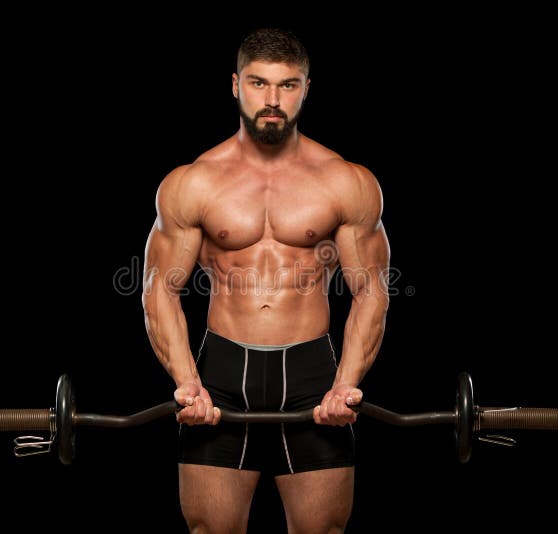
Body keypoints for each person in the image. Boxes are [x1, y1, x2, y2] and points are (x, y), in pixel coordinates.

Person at [142, 28, 390, 534]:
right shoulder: (194, 182)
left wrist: (346, 385)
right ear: (235, 85)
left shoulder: (346, 181)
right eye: (259, 83)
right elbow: (159, 288)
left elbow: (371, 290)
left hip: (312, 376)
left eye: (287, 85)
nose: (272, 100)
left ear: (306, 88)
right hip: (221, 376)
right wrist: (188, 383)